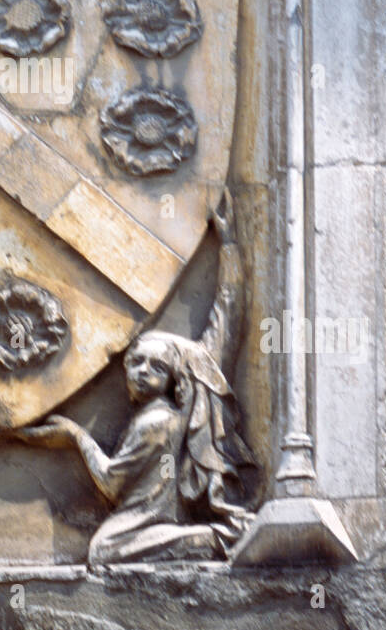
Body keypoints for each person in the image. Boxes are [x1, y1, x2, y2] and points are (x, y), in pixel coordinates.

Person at [27, 190, 255, 566]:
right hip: (145, 521)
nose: (141, 372)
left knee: (102, 550)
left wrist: (74, 436)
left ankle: (209, 537)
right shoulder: (170, 414)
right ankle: (204, 536)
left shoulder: (157, 420)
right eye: (135, 363)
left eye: (156, 367)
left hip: (140, 523)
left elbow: (113, 483)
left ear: (172, 378)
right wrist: (228, 247)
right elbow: (224, 326)